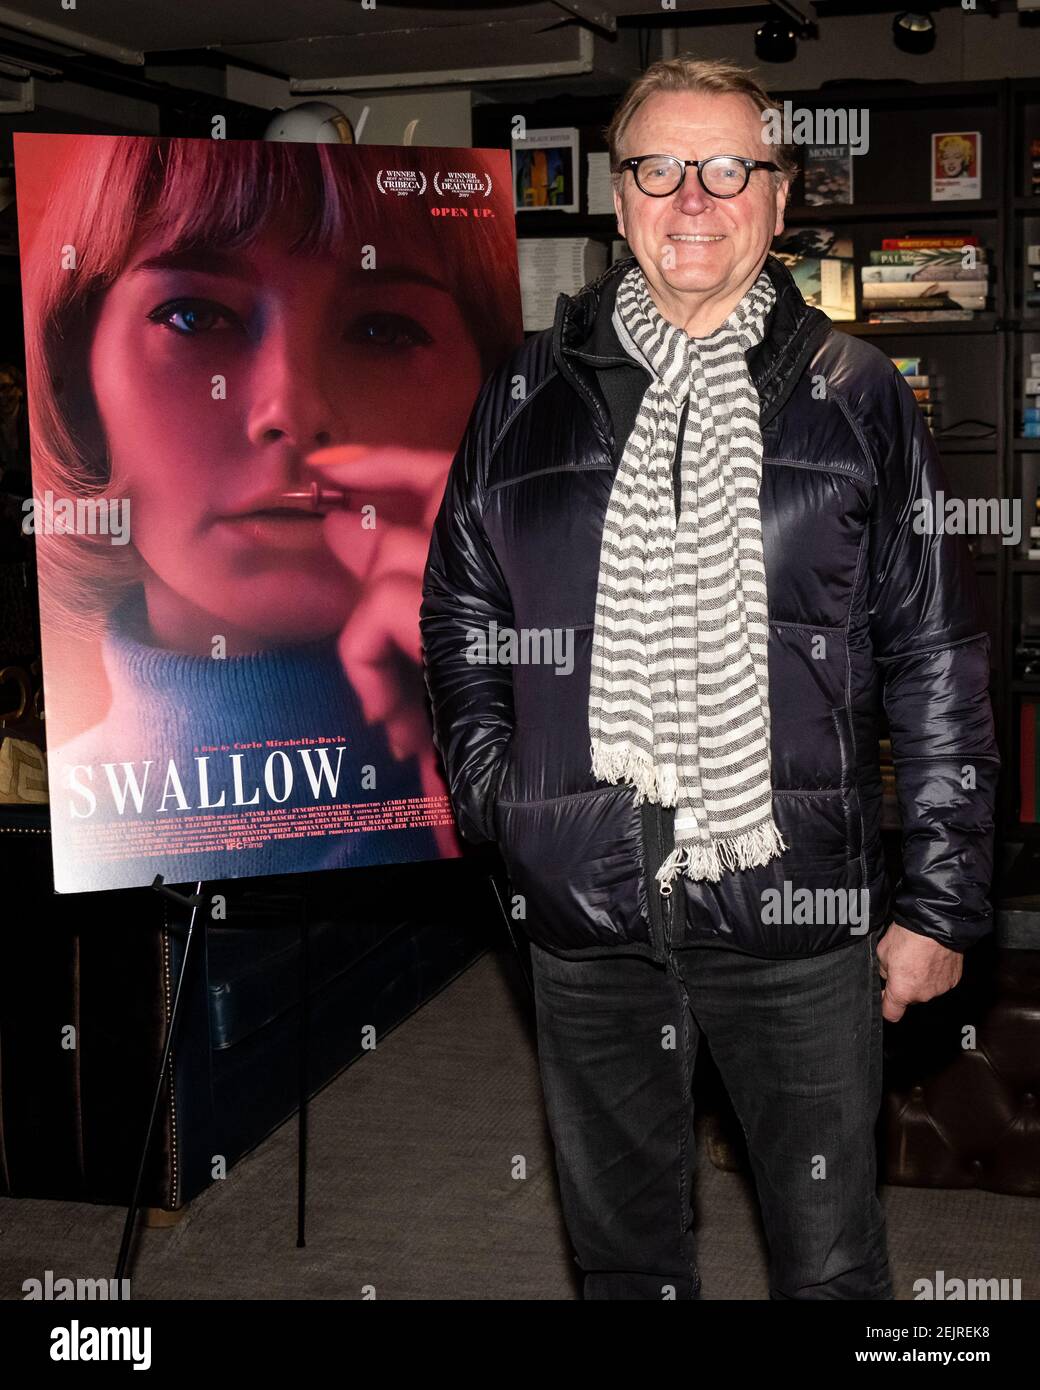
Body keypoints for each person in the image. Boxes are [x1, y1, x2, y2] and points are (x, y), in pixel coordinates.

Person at [420, 57, 999, 1300]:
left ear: (777, 199)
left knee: (829, 1262)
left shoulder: (854, 399)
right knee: (623, 1259)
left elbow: (933, 655)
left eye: (728, 166)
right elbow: (459, 609)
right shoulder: (522, 396)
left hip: (794, 911)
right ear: (618, 201)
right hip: (581, 915)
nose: (694, 197)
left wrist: (942, 902)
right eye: (659, 169)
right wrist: (500, 803)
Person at [21, 134, 520, 892]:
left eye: (381, 328)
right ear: (76, 373)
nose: (292, 410)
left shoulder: (571, 764)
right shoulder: (48, 835)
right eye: (194, 316)